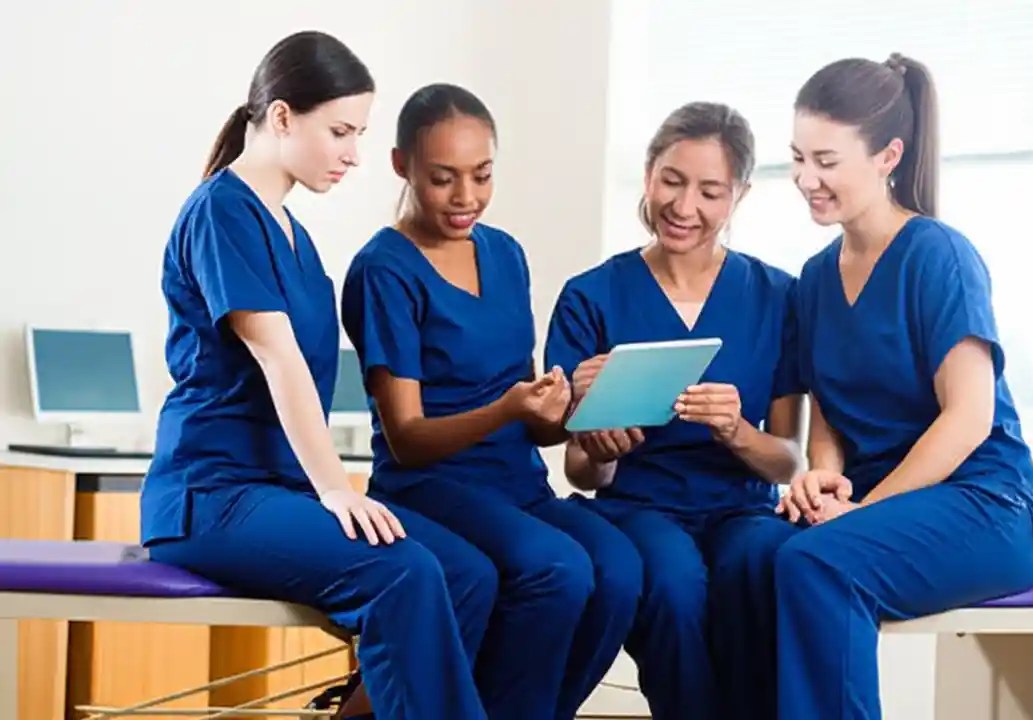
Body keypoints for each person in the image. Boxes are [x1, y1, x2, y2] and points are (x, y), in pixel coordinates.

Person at [139, 31, 495, 720]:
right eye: (339, 131)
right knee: (406, 572)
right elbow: (279, 360)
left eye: (358, 133)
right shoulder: (222, 210)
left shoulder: (293, 234)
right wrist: (336, 489)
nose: (355, 154)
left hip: (276, 489)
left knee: (467, 572)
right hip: (211, 496)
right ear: (280, 117)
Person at [340, 83, 642, 720]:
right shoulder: (384, 270)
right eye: (443, 178)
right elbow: (407, 437)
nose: (466, 197)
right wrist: (509, 409)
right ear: (402, 167)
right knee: (557, 569)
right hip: (430, 486)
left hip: (518, 484)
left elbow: (535, 425)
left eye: (481, 175)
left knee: (618, 569)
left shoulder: (505, 254)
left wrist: (574, 406)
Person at [773, 54, 1033, 720]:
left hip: (987, 506)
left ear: (888, 155)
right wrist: (822, 478)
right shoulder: (814, 278)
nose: (807, 179)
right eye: (797, 158)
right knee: (758, 554)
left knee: (819, 564)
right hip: (884, 506)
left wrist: (862, 512)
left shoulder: (938, 256)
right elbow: (832, 411)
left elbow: (968, 418)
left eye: (827, 161)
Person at [544, 101, 804, 720]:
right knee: (673, 584)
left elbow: (787, 461)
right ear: (647, 173)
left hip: (742, 509)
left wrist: (736, 430)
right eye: (671, 180)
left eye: (710, 191)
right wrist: (602, 449)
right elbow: (580, 471)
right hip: (639, 508)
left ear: (739, 195)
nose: (685, 207)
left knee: (763, 566)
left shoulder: (779, 297)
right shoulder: (591, 296)